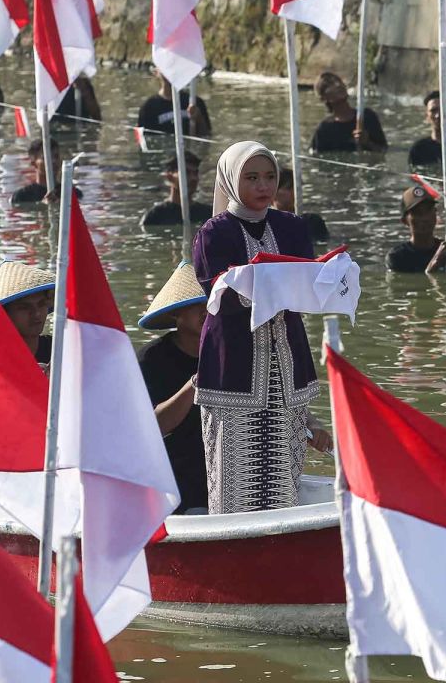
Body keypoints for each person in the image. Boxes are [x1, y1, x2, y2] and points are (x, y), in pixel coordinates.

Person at [192, 141, 332, 514]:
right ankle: (235, 545)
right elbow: (218, 293)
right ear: (231, 180)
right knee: (236, 483)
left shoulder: (292, 227)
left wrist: (331, 275)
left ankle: (281, 545)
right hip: (233, 373)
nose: (263, 186)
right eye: (251, 177)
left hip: (286, 370)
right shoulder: (213, 233)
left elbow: (306, 286)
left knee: (283, 482)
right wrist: (272, 284)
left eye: (270, 177)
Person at [137, 262, 210, 514]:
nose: (206, 312)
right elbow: (154, 426)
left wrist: (309, 423)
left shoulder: (230, 351)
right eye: (197, 305)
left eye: (210, 304)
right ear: (176, 314)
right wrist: (195, 383)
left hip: (222, 468)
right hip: (173, 477)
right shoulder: (152, 358)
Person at [386, 184, 446, 273]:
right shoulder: (398, 257)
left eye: (429, 210)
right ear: (405, 221)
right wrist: (437, 261)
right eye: (417, 213)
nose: (425, 218)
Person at [0, 261, 56, 364]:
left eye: (41, 304)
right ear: (5, 313)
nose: (37, 313)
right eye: (24, 307)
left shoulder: (61, 350)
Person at [309, 71, 387, 152]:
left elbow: (384, 150)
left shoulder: (366, 116)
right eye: (330, 85)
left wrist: (367, 143)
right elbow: (316, 156)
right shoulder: (324, 129)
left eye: (338, 81)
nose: (338, 85)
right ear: (324, 98)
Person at [142, 151, 214, 226]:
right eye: (186, 173)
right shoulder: (155, 216)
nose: (193, 178)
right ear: (170, 177)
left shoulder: (209, 214)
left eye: (195, 173)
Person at [11, 138, 84, 205]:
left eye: (56, 156)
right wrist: (42, 206)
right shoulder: (21, 197)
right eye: (46, 158)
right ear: (34, 164)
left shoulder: (73, 193)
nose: (53, 161)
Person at [137, 72, 211, 137]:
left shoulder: (195, 102)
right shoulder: (148, 107)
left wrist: (199, 119)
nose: (170, 73)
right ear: (157, 72)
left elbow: (207, 137)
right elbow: (144, 141)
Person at [274, 169, 330, 242]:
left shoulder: (313, 222)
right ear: (273, 192)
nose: (296, 192)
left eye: (297, 187)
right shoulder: (266, 226)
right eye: (289, 188)